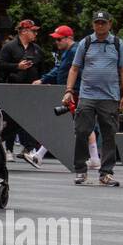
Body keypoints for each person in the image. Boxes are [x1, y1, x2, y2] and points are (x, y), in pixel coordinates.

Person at [63, 11, 123, 187]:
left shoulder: (117, 43)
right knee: (82, 131)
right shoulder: (85, 42)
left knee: (109, 135)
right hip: (87, 95)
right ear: (93, 24)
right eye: (97, 22)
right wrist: (69, 90)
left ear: (110, 24)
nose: (100, 25)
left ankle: (106, 173)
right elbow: (74, 68)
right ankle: (80, 170)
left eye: (103, 22)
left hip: (110, 96)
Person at [0, 19, 45, 165]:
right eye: (33, 30)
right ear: (24, 31)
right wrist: (17, 66)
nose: (36, 33)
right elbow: (0, 65)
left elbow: (42, 68)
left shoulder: (36, 49)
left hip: (31, 90)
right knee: (10, 118)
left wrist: (41, 81)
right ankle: (9, 149)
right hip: (13, 89)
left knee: (29, 119)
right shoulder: (9, 47)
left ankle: (28, 149)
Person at [32, 24, 80, 165]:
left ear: (68, 38)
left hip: (73, 92)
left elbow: (69, 70)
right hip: (71, 92)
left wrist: (43, 80)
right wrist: (43, 80)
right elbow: (60, 68)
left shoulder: (74, 51)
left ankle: (39, 155)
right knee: (78, 125)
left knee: (61, 122)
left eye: (59, 39)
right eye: (56, 39)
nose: (56, 42)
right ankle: (95, 158)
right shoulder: (69, 51)